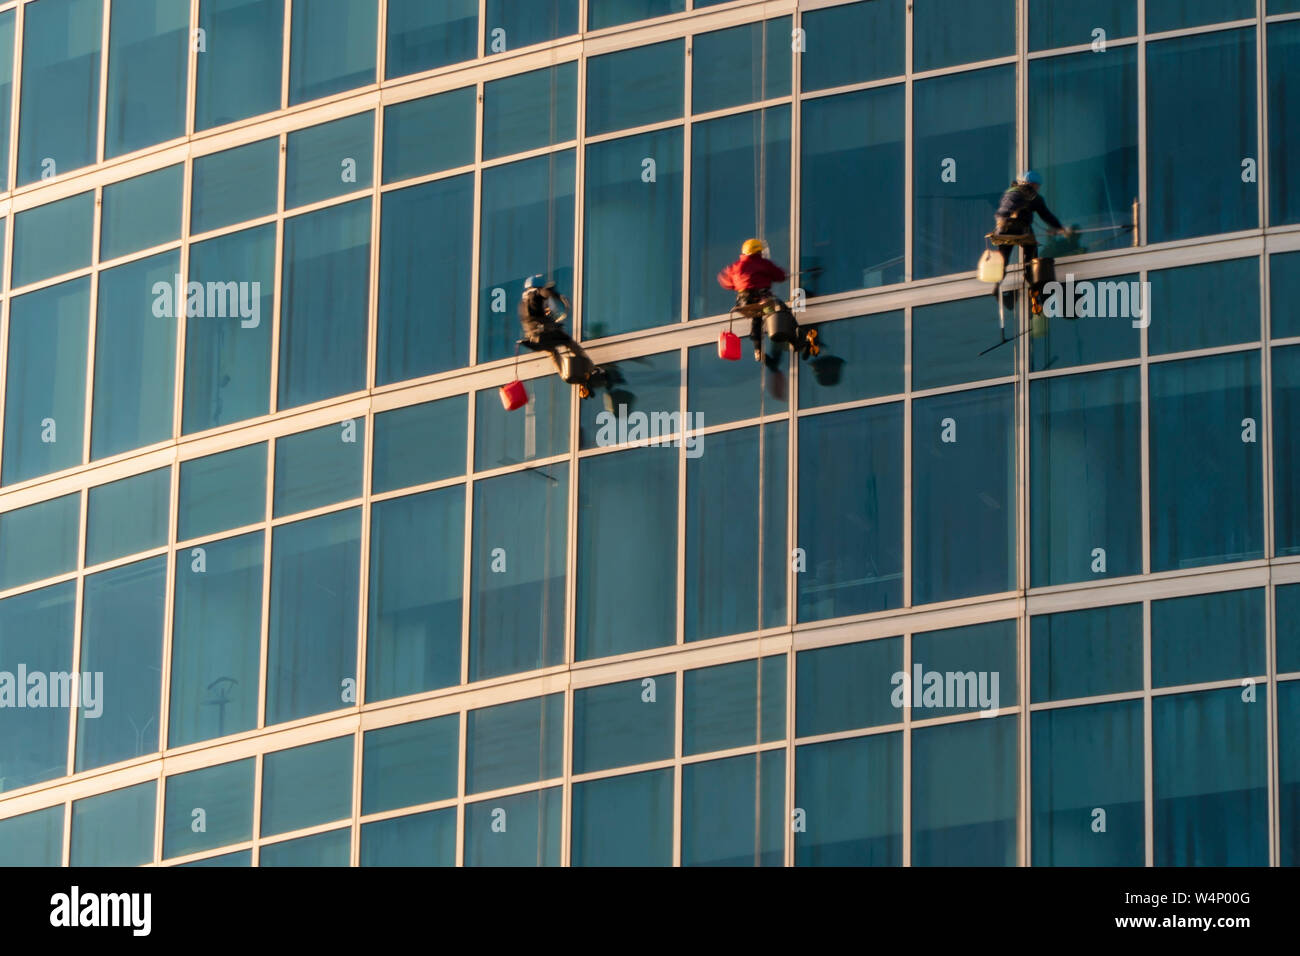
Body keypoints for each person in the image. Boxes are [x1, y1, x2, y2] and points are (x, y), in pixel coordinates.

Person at [716, 239, 817, 361]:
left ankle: (757, 350)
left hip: (744, 303)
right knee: (780, 311)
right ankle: (796, 342)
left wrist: (737, 284)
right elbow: (778, 275)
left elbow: (725, 280)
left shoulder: (736, 266)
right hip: (763, 300)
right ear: (758, 251)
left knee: (756, 320)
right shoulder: (762, 263)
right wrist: (784, 275)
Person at [989, 171, 1073, 306]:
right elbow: (1046, 215)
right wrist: (1060, 229)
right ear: (1033, 184)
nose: (1037, 188)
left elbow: (1005, 208)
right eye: (1037, 185)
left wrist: (1001, 222)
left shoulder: (1011, 192)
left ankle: (997, 285)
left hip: (1004, 228)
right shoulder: (1033, 196)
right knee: (1031, 256)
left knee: (1003, 257)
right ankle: (1033, 283)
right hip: (1021, 229)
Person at [518, 275, 603, 396]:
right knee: (570, 343)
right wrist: (557, 295)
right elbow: (544, 294)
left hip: (534, 337)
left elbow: (534, 315)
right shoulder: (536, 292)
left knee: (552, 352)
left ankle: (564, 374)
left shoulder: (523, 302)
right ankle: (591, 368)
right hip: (545, 332)